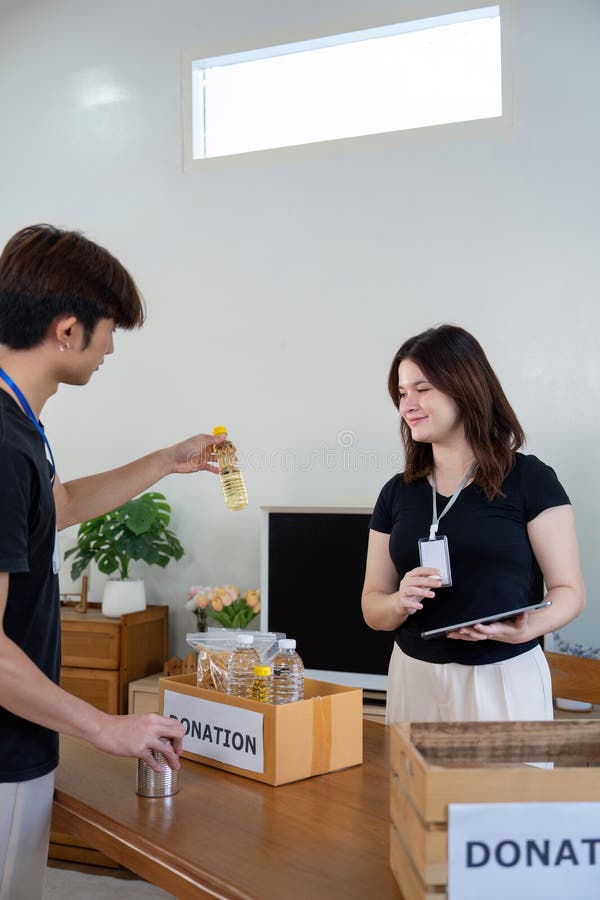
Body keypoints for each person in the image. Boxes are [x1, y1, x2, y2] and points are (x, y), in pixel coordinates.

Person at [0, 224, 226, 900]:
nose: (110, 350)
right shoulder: (4, 447)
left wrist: (167, 460)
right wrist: (104, 726)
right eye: (109, 332)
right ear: (68, 330)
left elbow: (61, 505)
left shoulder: (20, 427)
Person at [362, 324, 585, 726]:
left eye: (422, 388)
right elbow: (372, 605)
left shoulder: (531, 479)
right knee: (412, 773)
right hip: (414, 676)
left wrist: (524, 629)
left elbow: (569, 592)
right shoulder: (396, 492)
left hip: (504, 677)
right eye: (402, 393)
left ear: (464, 387)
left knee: (510, 773)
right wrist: (398, 602)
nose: (408, 404)